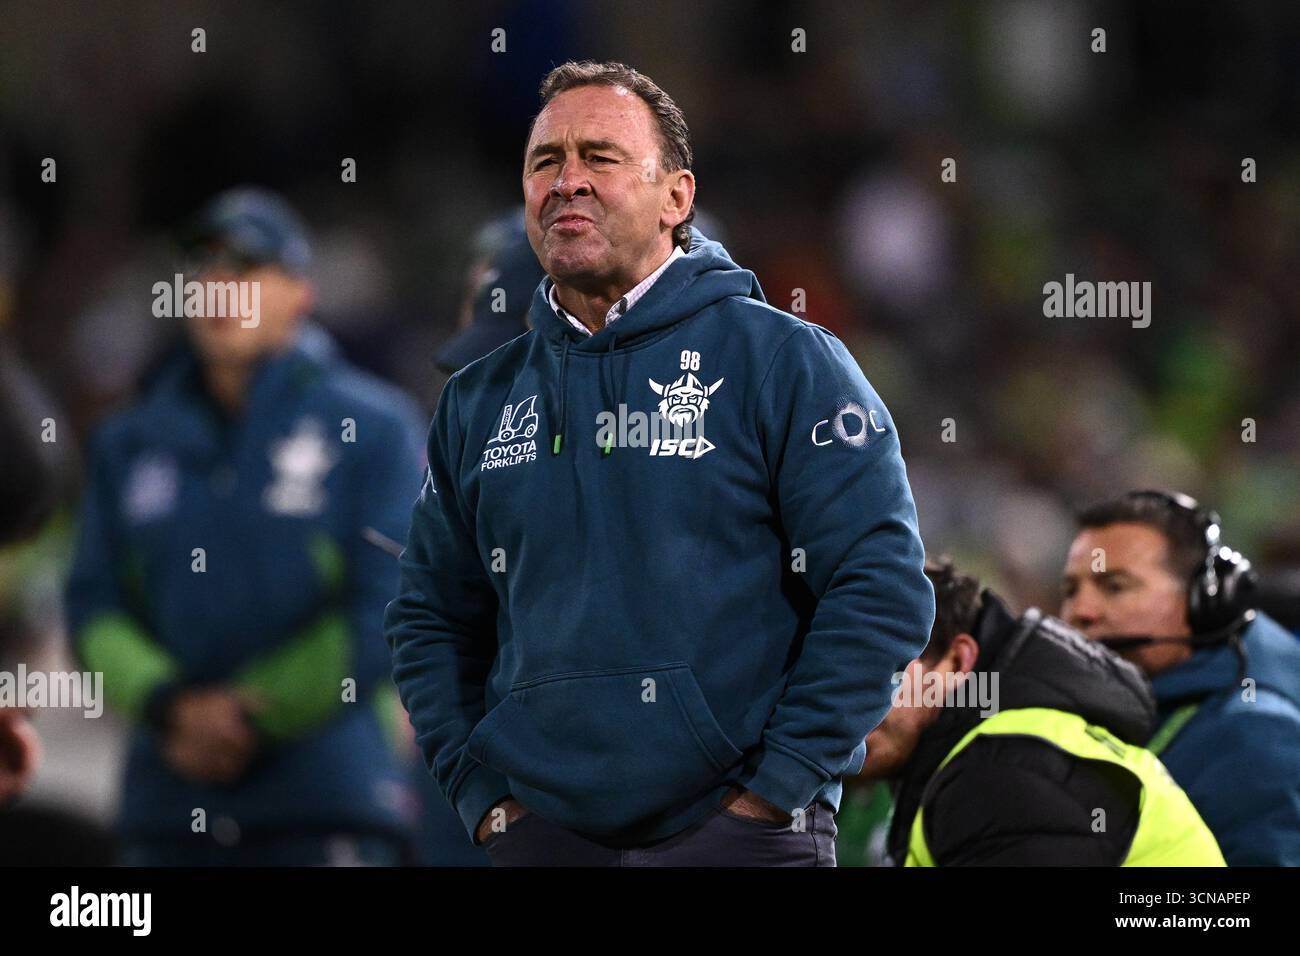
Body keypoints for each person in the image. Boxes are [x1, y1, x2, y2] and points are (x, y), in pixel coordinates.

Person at [385, 60, 933, 866]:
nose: (567, 181)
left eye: (600, 157)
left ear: (677, 198)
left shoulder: (783, 363)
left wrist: (775, 793)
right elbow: (430, 617)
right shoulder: (478, 401)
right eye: (546, 162)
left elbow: (879, 586)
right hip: (544, 840)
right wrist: (485, 802)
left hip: (741, 835)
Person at [66, 187, 425, 865]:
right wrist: (173, 707)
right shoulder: (129, 442)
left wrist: (247, 715)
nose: (220, 289)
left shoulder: (374, 428)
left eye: (247, 269)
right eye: (205, 270)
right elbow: (94, 604)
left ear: (300, 293)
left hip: (325, 799)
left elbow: (392, 602)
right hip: (169, 807)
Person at [863, 557, 1224, 866]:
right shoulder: (991, 751)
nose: (841, 700)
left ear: (956, 662)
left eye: (871, 668)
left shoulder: (1005, 771)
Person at [1061, 489, 1300, 865]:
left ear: (1203, 602)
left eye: (1115, 586)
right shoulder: (1095, 719)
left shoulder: (1255, 736)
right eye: (1071, 589)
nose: (1081, 610)